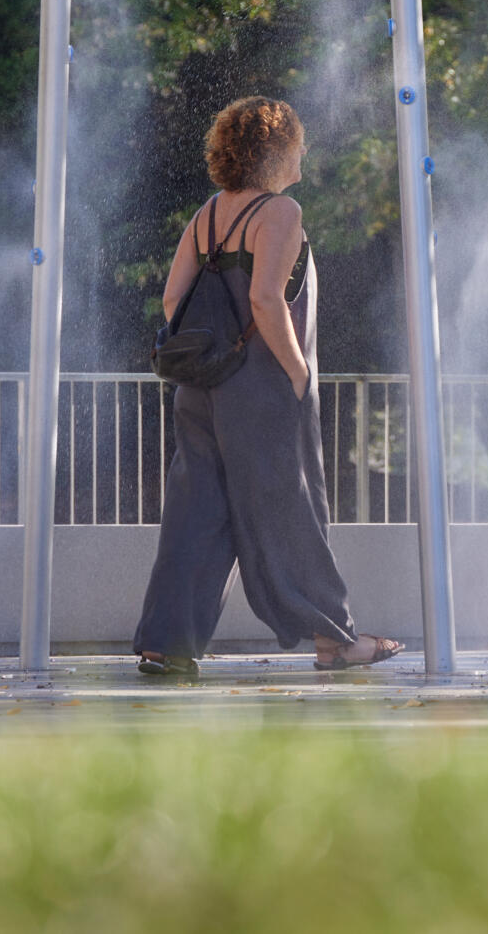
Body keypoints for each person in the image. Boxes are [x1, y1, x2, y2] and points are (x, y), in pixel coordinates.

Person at [132, 96, 405, 676]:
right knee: (293, 508)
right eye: (298, 142)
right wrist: (298, 372)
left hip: (200, 388)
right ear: (274, 151)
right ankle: (334, 641)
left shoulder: (207, 215)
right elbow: (265, 298)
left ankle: (167, 644)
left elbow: (174, 300)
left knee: (196, 514)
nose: (305, 151)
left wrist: (212, 357)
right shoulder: (279, 212)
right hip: (261, 388)